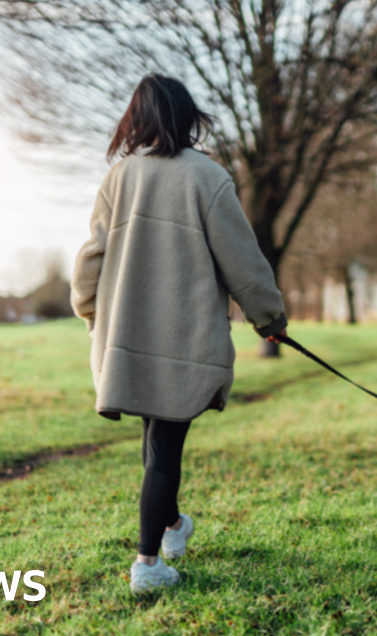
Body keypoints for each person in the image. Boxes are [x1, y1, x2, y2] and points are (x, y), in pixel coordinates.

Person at [71, 74, 288, 592]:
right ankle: (148, 564)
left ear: (136, 121)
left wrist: (89, 312)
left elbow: (90, 259)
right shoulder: (205, 177)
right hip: (184, 339)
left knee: (156, 444)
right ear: (187, 117)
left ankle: (172, 527)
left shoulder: (118, 178)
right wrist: (269, 317)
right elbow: (243, 259)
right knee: (165, 450)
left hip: (127, 336)